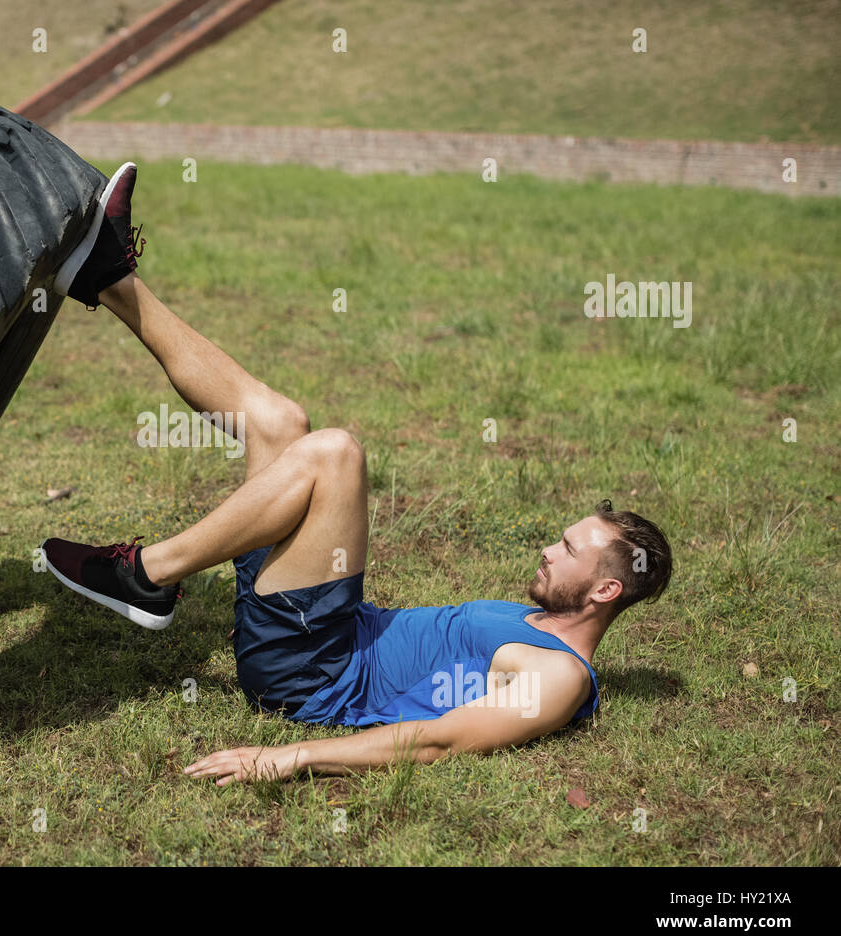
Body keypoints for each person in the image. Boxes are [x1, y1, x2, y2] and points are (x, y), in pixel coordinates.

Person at [42, 163, 673, 786]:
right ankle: (110, 277)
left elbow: (439, 742)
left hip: (312, 669)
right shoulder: (538, 622)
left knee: (335, 453)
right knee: (276, 419)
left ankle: (146, 575)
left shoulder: (560, 678)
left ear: (606, 592)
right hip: (327, 628)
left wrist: (291, 756)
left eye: (566, 551)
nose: (546, 549)